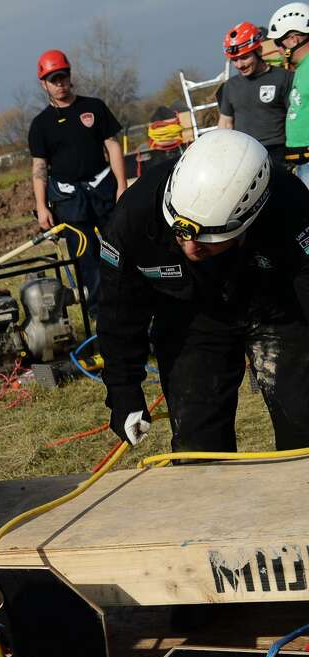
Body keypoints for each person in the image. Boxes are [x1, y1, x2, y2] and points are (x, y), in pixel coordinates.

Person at [98, 129, 309, 453]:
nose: (190, 246)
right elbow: (118, 310)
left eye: (208, 240)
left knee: (302, 420)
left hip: (275, 304)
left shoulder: (291, 204)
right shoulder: (133, 219)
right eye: (181, 234)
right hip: (191, 315)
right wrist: (123, 390)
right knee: (198, 445)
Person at [28, 49, 127, 318]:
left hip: (104, 191)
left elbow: (112, 146)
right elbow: (39, 167)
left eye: (63, 77)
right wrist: (41, 207)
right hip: (70, 202)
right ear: (44, 84)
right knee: (86, 258)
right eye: (53, 80)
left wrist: (122, 186)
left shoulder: (94, 107)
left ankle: (131, 303)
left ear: (70, 76)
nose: (60, 84)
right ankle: (99, 315)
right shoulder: (41, 124)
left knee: (119, 247)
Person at [218, 21, 294, 162]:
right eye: (234, 60)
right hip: (244, 156)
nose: (239, 65)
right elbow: (225, 123)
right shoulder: (230, 86)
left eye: (245, 57)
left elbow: (295, 115)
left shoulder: (283, 77)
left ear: (259, 51)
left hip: (279, 153)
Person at [271, 2, 309, 183]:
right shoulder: (300, 68)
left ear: (293, 40)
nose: (278, 50)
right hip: (302, 162)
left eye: (278, 43)